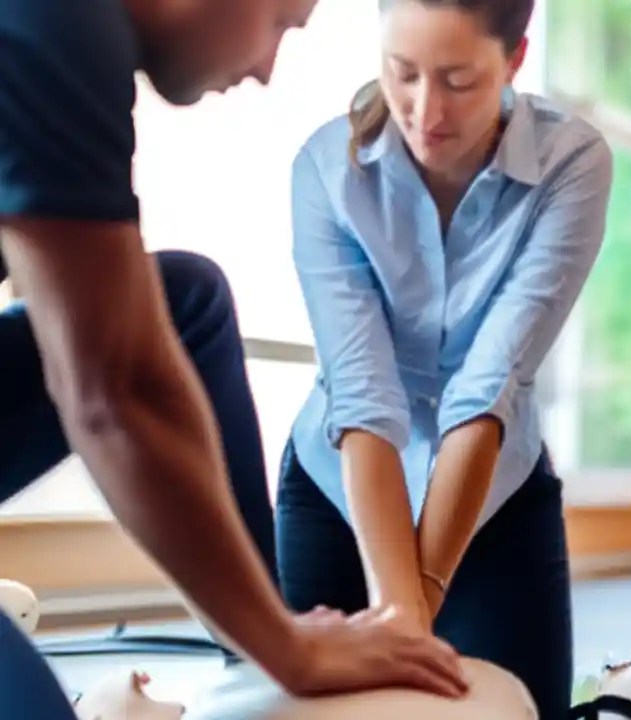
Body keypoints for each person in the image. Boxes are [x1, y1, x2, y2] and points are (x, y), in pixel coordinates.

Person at [0, 0, 468, 717]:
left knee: (188, 300)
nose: (265, 69)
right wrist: (296, 651)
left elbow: (114, 337)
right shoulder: (57, 20)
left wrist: (270, 635)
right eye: (281, 20)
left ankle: (248, 648)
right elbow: (111, 391)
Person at [275, 1, 613, 718]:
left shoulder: (572, 162)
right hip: (343, 486)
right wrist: (398, 605)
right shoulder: (326, 170)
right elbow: (363, 395)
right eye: (403, 73)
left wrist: (411, 613)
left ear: (515, 59)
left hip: (492, 490)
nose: (425, 110)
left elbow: (488, 385)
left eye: (459, 81)